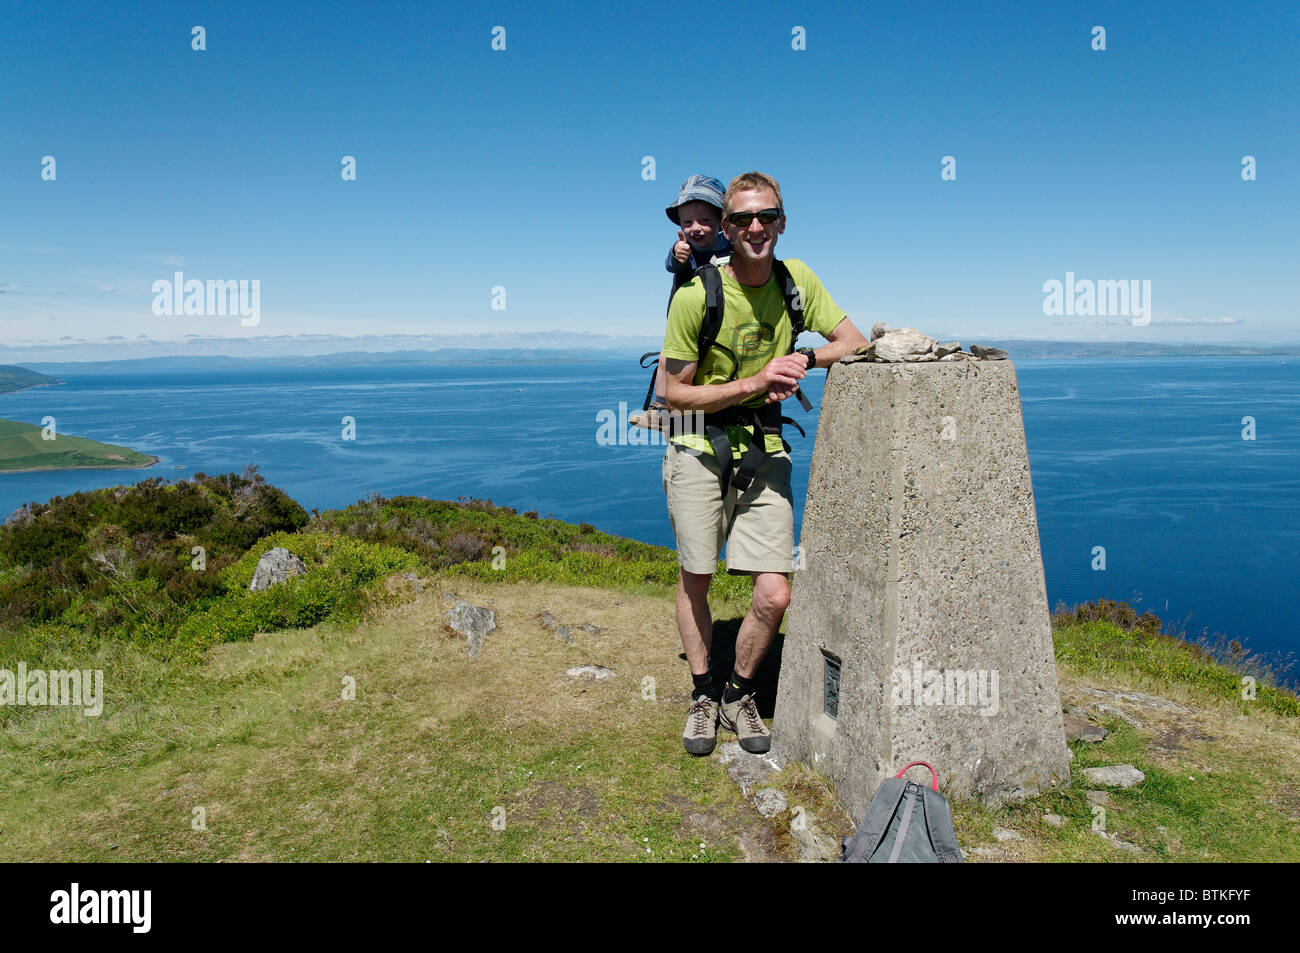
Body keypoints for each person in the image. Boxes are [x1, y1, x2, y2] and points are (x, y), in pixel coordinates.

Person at [660, 171, 868, 756]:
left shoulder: (796, 280)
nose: (757, 227)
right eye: (744, 218)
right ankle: (703, 694)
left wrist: (802, 357)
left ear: (782, 221)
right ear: (726, 228)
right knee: (696, 577)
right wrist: (756, 380)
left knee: (775, 594)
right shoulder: (696, 296)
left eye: (768, 216)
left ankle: (738, 693)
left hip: (763, 450)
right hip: (698, 447)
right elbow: (674, 393)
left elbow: (852, 342)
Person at [631, 176, 733, 432]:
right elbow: (672, 264)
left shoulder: (732, 247)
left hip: (720, 324)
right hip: (686, 324)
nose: (695, 228)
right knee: (668, 358)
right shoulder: (683, 248)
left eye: (704, 221)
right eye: (687, 222)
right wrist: (680, 254)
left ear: (722, 221)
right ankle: (660, 408)